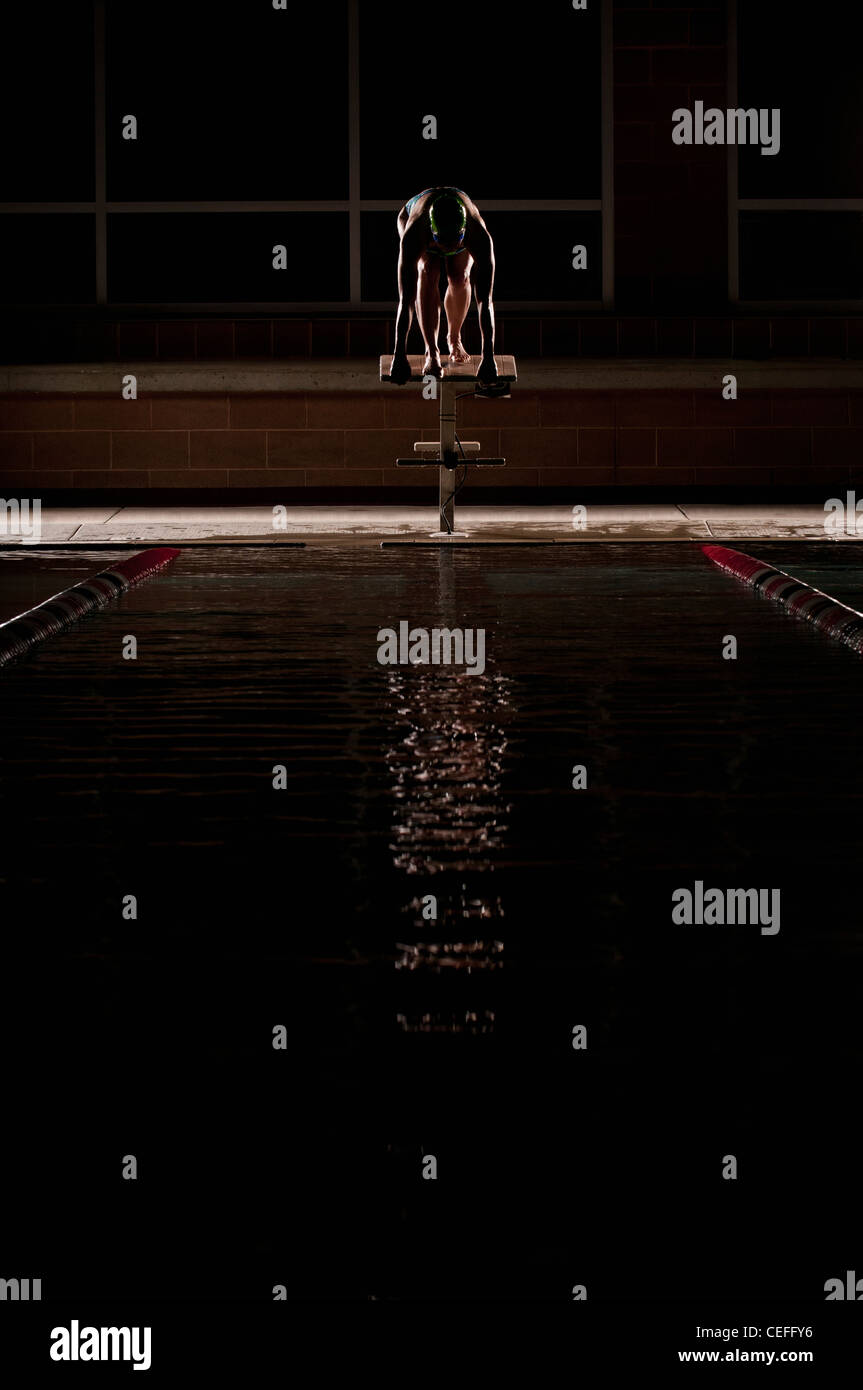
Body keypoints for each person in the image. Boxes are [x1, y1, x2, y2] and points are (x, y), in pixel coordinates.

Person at [388, 186, 498, 385]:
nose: (447, 252)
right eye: (442, 244)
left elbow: (485, 300)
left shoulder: (478, 233)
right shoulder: (415, 231)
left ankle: (454, 340)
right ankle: (431, 352)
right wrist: (399, 355)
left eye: (453, 245)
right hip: (414, 214)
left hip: (451, 231)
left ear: (463, 232)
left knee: (460, 276)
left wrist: (488, 357)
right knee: (428, 271)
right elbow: (406, 300)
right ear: (433, 233)